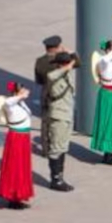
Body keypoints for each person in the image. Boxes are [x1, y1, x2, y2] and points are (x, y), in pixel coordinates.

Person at [36, 35, 78, 191]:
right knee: (56, 148)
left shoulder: (67, 74)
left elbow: (78, 63)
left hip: (67, 115)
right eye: (67, 63)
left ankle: (60, 177)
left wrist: (71, 53)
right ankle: (56, 180)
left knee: (63, 147)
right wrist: (65, 67)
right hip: (58, 115)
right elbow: (49, 76)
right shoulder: (54, 75)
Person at [0, 81, 36, 208]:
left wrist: (21, 97)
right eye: (22, 89)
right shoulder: (10, 103)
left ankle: (19, 195)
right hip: (16, 137)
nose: (25, 91)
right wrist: (21, 96)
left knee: (22, 167)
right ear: (17, 92)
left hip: (24, 136)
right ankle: (12, 197)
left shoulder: (20, 102)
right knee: (15, 166)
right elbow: (7, 102)